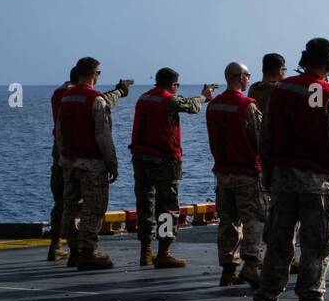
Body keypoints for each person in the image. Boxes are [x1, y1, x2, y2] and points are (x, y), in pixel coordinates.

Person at [250, 38, 329, 301]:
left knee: (278, 247)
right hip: (316, 185)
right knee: (317, 248)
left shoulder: (281, 91)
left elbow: (264, 138)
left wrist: (269, 172)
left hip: (281, 181)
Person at [129, 68, 212, 268]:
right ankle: (164, 251)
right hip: (163, 160)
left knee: (145, 205)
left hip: (140, 158)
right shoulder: (169, 100)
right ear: (172, 85)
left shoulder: (143, 98)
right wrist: (204, 96)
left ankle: (145, 250)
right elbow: (192, 106)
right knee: (167, 208)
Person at [58, 58, 132, 270]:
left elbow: (60, 132)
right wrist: (112, 164)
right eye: (98, 72)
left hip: (70, 162)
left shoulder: (66, 98)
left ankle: (74, 250)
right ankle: (88, 251)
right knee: (94, 207)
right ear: (93, 74)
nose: (99, 76)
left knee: (70, 207)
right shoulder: (96, 100)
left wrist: (63, 158)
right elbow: (103, 136)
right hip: (92, 164)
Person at [207, 62, 265, 288]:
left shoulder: (213, 105)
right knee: (254, 220)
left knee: (228, 222)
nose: (249, 79)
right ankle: (251, 265)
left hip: (222, 172)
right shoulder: (247, 105)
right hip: (247, 172)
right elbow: (259, 140)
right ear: (240, 77)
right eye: (247, 75)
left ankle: (228, 270)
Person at [249, 52, 299, 273]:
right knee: (285, 213)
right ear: (280, 69)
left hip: (261, 155)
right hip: (281, 156)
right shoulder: (279, 90)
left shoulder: (254, 90)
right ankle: (284, 257)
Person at [46, 66, 78, 261]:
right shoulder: (79, 95)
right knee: (78, 201)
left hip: (58, 148)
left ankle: (55, 244)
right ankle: (77, 249)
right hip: (77, 152)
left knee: (59, 200)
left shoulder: (58, 93)